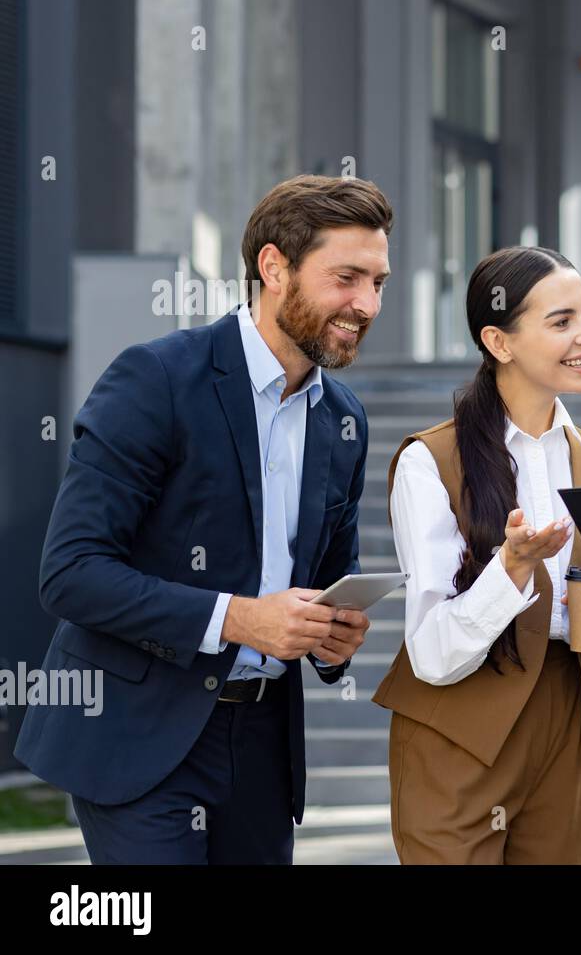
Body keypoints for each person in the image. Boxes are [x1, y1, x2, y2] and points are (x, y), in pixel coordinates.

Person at [16, 174, 391, 863]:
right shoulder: (155, 379)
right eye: (347, 277)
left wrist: (334, 633)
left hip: (262, 747)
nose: (365, 304)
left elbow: (332, 571)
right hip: (137, 735)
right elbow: (70, 572)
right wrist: (241, 618)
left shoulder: (344, 418)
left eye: (378, 282)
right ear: (273, 267)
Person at [373, 246, 581, 864]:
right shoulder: (430, 462)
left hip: (565, 724)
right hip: (459, 728)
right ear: (499, 340)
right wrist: (512, 569)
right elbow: (433, 654)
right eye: (561, 321)